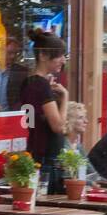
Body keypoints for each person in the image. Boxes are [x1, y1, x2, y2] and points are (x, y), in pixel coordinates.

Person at [18, 28, 69, 194]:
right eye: (59, 55)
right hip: (48, 157)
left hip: (35, 151)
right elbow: (58, 126)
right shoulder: (42, 85)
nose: (63, 60)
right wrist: (65, 97)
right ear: (43, 56)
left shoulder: (28, 82)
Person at [0, 37, 30, 111]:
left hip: (10, 116)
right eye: (9, 53)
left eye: (16, 53)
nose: (13, 56)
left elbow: (23, 99)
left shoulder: (21, 72)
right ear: (1, 51)